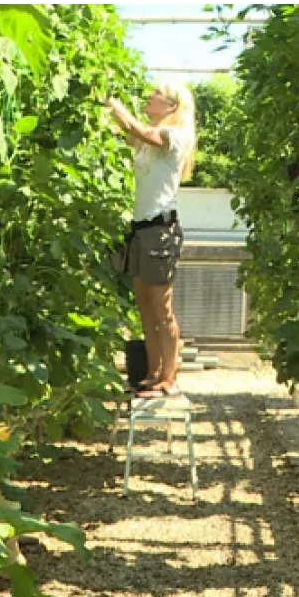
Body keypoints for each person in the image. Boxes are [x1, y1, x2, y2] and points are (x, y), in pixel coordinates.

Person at [104, 82, 197, 398]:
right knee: (145, 305)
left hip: (160, 230)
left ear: (171, 105)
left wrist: (111, 99)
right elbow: (129, 131)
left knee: (162, 307)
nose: (149, 95)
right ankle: (154, 372)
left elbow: (135, 128)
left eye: (156, 94)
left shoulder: (174, 137)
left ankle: (168, 378)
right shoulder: (149, 142)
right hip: (142, 229)